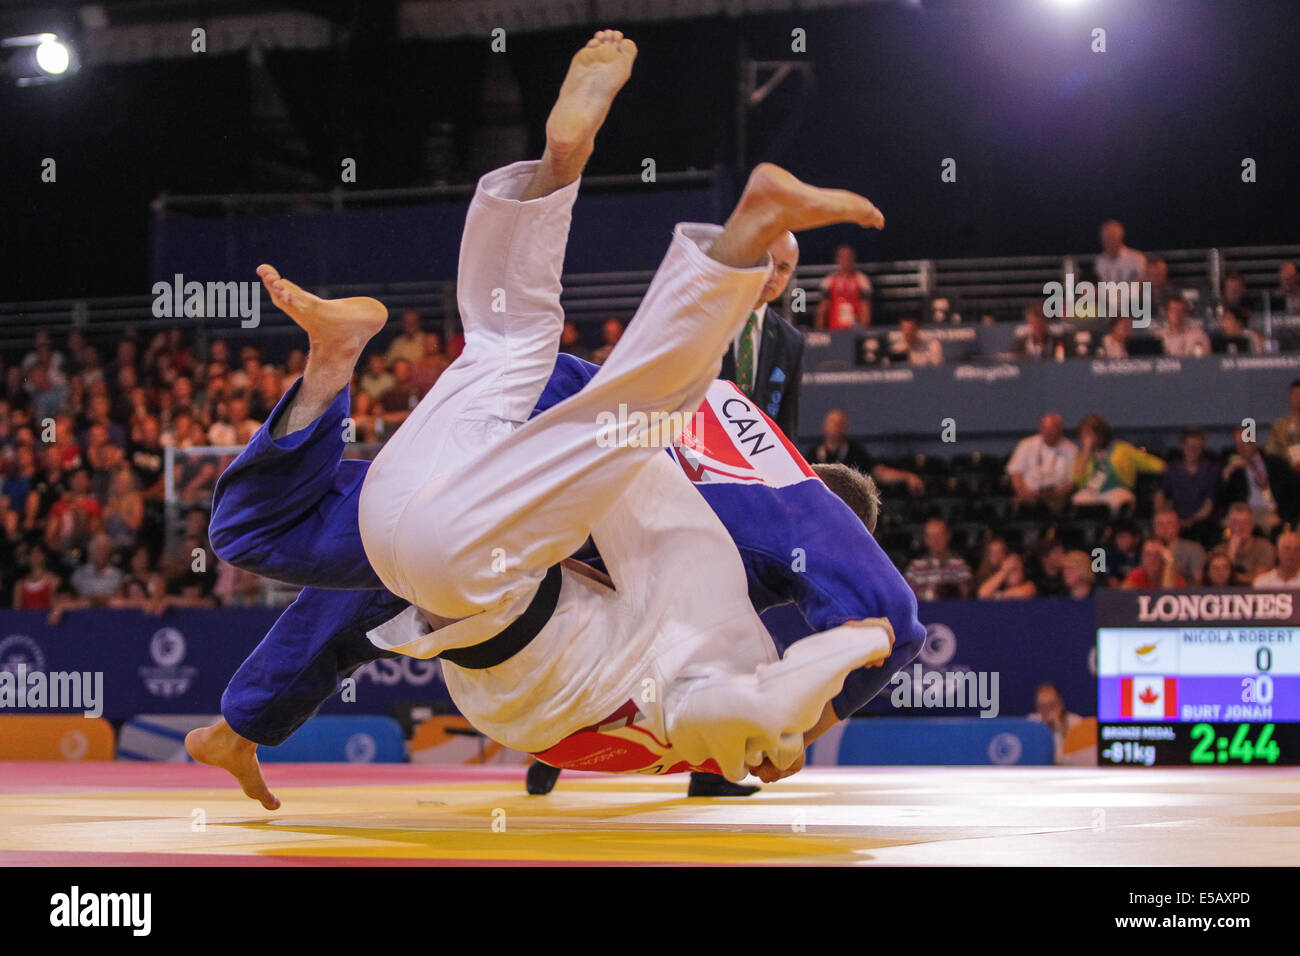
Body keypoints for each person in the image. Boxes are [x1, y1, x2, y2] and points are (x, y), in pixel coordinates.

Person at [190, 31, 917, 808]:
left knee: (261, 533)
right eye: (770, 259)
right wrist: (808, 722)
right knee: (621, 438)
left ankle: (350, 348)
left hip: (513, 408)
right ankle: (722, 249)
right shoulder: (792, 506)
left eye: (778, 262)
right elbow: (892, 618)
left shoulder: (751, 421)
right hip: (571, 462)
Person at [718, 231, 804, 437]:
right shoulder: (706, 320)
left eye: (783, 268)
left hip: (758, 464)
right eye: (767, 260)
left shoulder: (791, 341)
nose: (772, 274)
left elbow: (787, 429)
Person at [805, 408, 924, 496]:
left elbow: (878, 472)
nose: (836, 427)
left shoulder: (856, 452)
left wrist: (907, 477)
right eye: (832, 423)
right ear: (824, 426)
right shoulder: (813, 454)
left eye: (840, 424)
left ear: (846, 428)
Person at [1070, 413, 1165, 515]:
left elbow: (1146, 462)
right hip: (1092, 492)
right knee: (1077, 501)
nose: (1086, 438)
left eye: (1089, 434)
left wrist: (1166, 468)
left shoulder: (1122, 449)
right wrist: (1086, 452)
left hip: (1117, 490)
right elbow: (1077, 479)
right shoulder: (1082, 456)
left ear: (1100, 434)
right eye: (1083, 434)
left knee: (1117, 503)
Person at [1006, 413, 1077, 513]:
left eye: (1054, 431)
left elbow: (1074, 481)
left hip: (1057, 494)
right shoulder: (1026, 445)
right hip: (1030, 492)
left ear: (1061, 431)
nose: (1051, 434)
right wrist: (1023, 492)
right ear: (1041, 429)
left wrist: (1060, 493)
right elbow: (1015, 474)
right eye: (1048, 431)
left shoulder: (1072, 450)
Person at [905, 517, 973, 600]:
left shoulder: (960, 565)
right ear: (925, 539)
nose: (935, 540)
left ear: (948, 536)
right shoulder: (915, 567)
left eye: (939, 535)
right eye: (930, 536)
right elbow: (907, 598)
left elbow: (965, 597)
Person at [817, 244, 871, 329]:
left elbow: (865, 308)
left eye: (848, 257)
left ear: (853, 259)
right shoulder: (829, 280)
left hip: (855, 329)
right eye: (842, 257)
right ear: (837, 259)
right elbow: (822, 309)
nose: (846, 260)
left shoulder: (862, 280)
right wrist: (820, 331)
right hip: (834, 329)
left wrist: (863, 330)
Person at [1221, 502, 1276, 585]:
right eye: (1236, 523)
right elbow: (1220, 580)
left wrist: (1234, 577)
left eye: (1245, 522)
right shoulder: (1220, 550)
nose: (1241, 527)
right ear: (1229, 526)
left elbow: (1261, 578)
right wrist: (1231, 554)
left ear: (1252, 525)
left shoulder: (1265, 547)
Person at [1028, 682, 1083, 765]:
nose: (1047, 710)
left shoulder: (1075, 722)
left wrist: (1060, 728)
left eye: (1051, 705)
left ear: (1060, 704)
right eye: (1043, 706)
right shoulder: (1032, 723)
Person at [1094, 220, 1146, 284]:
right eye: (1105, 238)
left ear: (1120, 238)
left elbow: (1144, 283)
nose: (1107, 242)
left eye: (1111, 237)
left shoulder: (1136, 258)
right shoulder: (1100, 261)